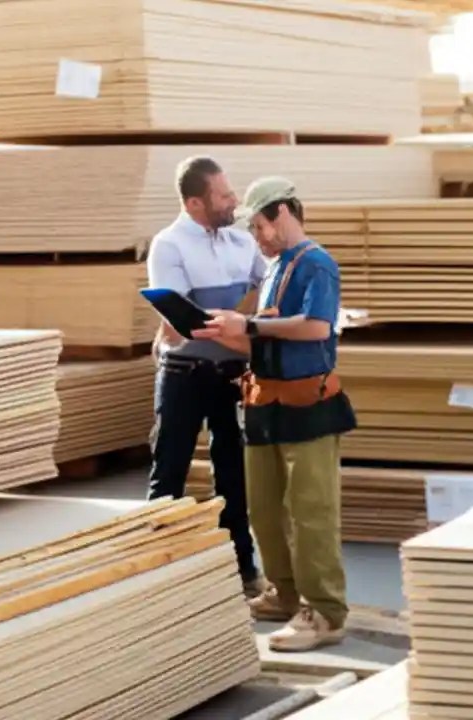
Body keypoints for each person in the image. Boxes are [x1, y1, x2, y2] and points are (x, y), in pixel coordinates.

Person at [192, 176, 357, 652]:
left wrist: (249, 323)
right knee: (263, 510)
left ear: (284, 213)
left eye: (261, 225)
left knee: (311, 512)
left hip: (309, 405)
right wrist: (218, 332)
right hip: (264, 402)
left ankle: (324, 611)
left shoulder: (317, 265)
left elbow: (315, 328)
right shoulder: (274, 269)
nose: (258, 237)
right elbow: (262, 338)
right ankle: (284, 595)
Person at [145, 156, 268, 598]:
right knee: (170, 472)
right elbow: (179, 322)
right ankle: (158, 575)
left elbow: (271, 288)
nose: (233, 201)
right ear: (194, 202)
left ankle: (243, 569)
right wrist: (238, 320)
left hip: (232, 375)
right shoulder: (169, 245)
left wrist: (238, 321)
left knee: (234, 475)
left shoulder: (240, 243)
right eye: (223, 195)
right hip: (184, 375)